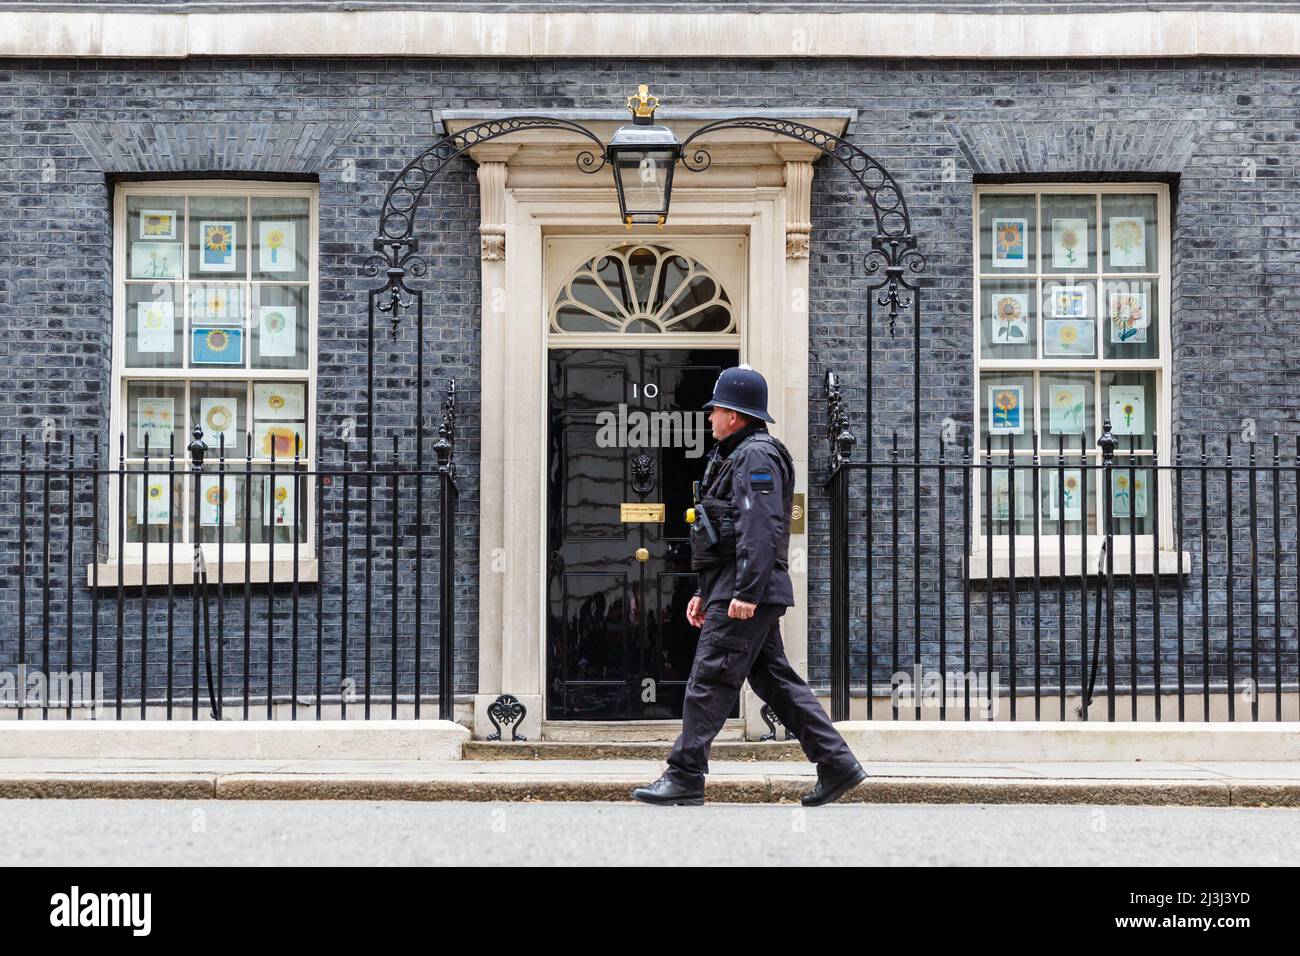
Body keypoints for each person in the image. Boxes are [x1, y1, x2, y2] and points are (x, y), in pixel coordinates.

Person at [631, 365, 867, 807]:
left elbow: (761, 527)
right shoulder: (735, 454)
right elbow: (724, 533)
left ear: (735, 415)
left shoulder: (756, 456)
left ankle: (684, 775)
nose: (709, 418)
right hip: (731, 585)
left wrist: (746, 593)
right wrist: (706, 590)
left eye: (714, 410)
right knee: (774, 680)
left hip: (745, 591)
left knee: (709, 678)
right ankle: (836, 764)